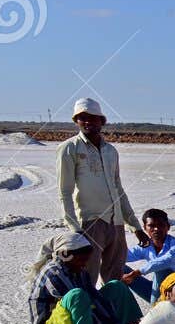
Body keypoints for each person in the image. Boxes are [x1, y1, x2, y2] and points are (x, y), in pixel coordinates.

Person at [56, 98, 143, 285]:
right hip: (89, 223)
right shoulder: (69, 148)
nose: (87, 122)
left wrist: (135, 226)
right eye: (82, 118)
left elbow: (118, 189)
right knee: (86, 279)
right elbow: (65, 192)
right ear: (76, 121)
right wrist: (75, 230)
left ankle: (111, 313)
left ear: (102, 121)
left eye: (92, 118)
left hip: (116, 223)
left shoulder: (111, 151)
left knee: (114, 281)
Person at [27, 232, 145, 324]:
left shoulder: (79, 271)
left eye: (85, 260)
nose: (84, 264)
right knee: (77, 295)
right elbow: (83, 305)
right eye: (81, 260)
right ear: (65, 255)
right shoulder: (54, 274)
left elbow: (97, 300)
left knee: (116, 287)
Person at [125, 208, 175, 301]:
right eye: (151, 226)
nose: (156, 229)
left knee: (162, 271)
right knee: (118, 266)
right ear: (145, 228)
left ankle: (155, 311)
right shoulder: (146, 245)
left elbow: (165, 261)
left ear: (168, 227)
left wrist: (136, 273)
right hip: (158, 291)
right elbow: (121, 256)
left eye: (161, 225)